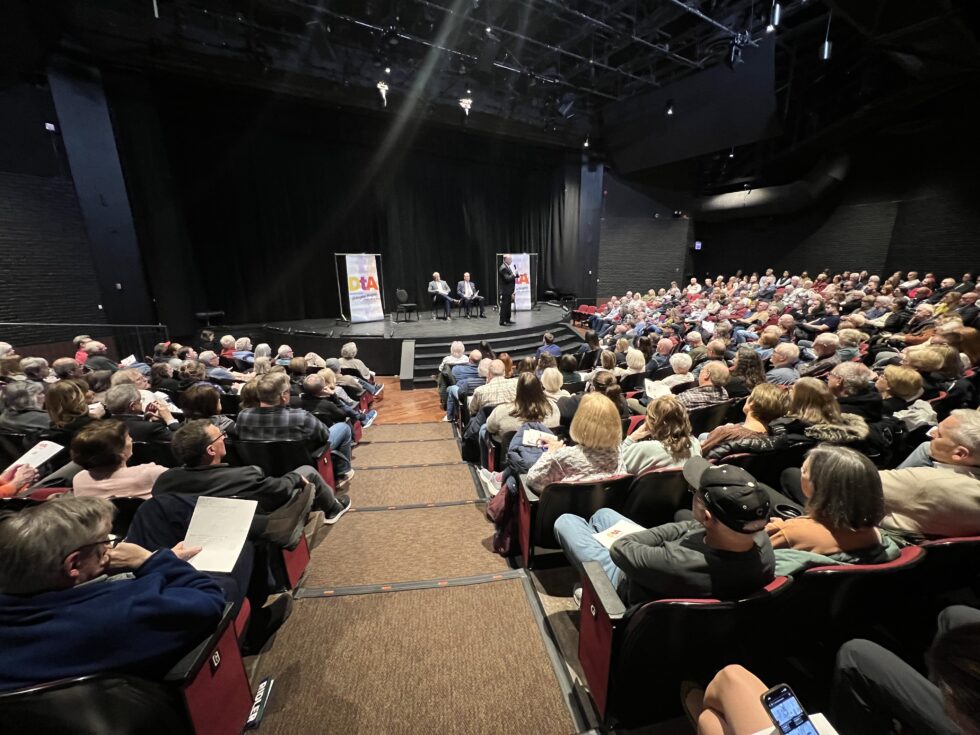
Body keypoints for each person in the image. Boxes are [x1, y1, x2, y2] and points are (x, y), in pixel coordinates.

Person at [0, 496, 223, 691]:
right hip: (157, 701)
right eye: (106, 541)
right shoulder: (126, 611)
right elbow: (209, 597)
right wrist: (149, 560)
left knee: (157, 508)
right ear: (73, 564)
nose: (112, 547)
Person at [553, 459, 774, 606]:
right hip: (659, 568)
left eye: (693, 491)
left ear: (707, 517)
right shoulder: (762, 544)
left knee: (566, 521)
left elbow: (622, 549)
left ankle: (595, 596)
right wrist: (696, 525)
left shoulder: (676, 561)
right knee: (603, 514)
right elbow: (690, 528)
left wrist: (688, 527)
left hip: (627, 577)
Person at [155, 419, 351, 524]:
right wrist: (294, 478)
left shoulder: (164, 482)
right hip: (259, 518)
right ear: (210, 450)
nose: (224, 437)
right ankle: (333, 507)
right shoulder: (243, 476)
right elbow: (279, 488)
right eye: (220, 436)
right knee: (307, 471)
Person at [235, 373, 355, 487]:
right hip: (302, 464)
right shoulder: (301, 417)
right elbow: (324, 436)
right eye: (288, 391)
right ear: (283, 396)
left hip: (264, 469)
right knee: (343, 427)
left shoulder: (243, 415)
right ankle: (341, 473)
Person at [765, 446, 887, 558]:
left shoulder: (789, 533)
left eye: (803, 471)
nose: (800, 473)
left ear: (821, 487)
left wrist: (776, 528)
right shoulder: (874, 534)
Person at [879, 409, 980, 538]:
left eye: (939, 434)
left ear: (959, 454)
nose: (932, 433)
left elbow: (851, 480)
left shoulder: (923, 482)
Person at [525, 393, 626, 493]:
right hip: (609, 505)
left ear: (580, 422)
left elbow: (532, 480)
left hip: (566, 507)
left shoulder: (564, 457)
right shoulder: (618, 451)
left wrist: (550, 453)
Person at [71, 419, 167, 500]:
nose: (131, 440)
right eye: (128, 437)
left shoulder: (79, 479)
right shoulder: (151, 473)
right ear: (119, 452)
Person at [702, 383, 789, 458]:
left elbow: (700, 453)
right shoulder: (773, 435)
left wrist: (720, 431)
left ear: (752, 402)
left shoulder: (726, 432)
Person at [621, 395, 701, 474]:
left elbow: (618, 463)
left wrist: (631, 438)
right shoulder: (694, 443)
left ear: (653, 422)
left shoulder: (645, 449)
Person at [486, 373, 560, 443]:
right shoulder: (552, 407)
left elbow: (490, 428)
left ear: (518, 389)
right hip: (545, 453)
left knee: (483, 429)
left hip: (510, 454)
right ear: (539, 388)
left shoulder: (501, 411)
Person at [104, 384, 177, 442]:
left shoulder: (102, 426)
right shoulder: (151, 428)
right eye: (140, 400)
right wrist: (169, 419)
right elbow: (182, 440)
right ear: (132, 406)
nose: (141, 403)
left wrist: (146, 417)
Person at [498, 254, 517, 326]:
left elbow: (511, 276)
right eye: (510, 259)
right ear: (505, 259)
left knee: (508, 305)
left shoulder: (507, 266)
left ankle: (507, 319)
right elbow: (507, 278)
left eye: (511, 259)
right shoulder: (503, 268)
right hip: (506, 290)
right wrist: (513, 274)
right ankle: (502, 321)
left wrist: (516, 274)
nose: (511, 260)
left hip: (509, 290)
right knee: (504, 306)